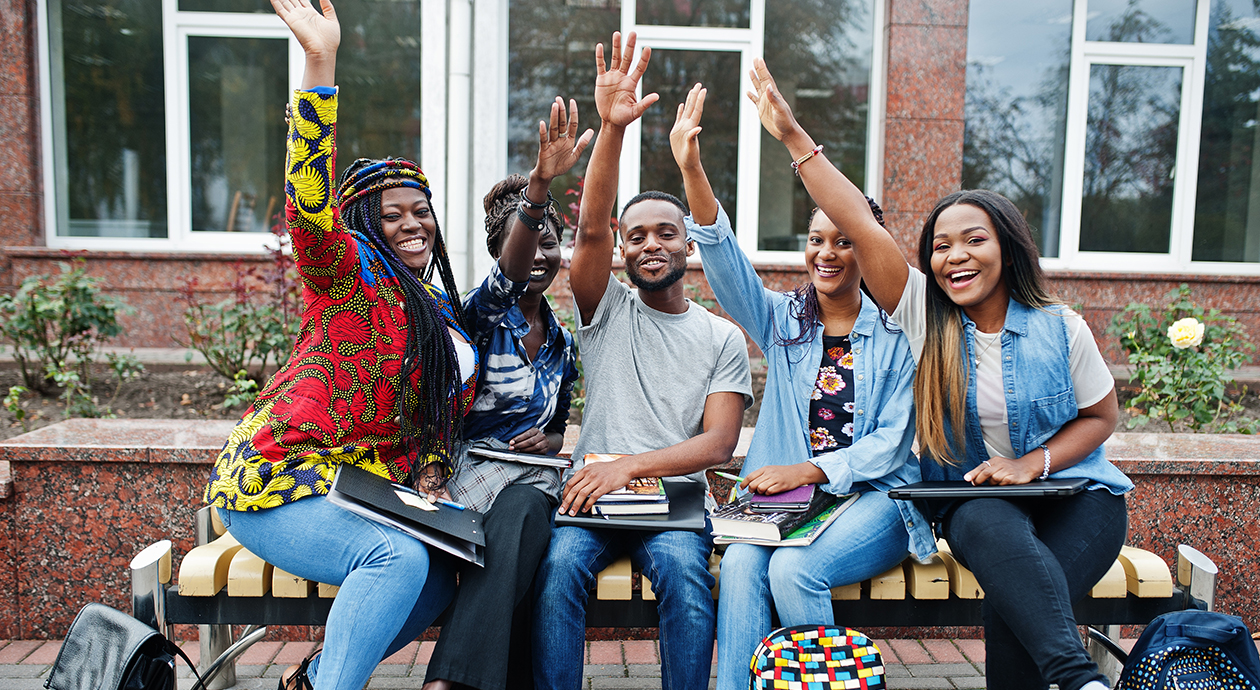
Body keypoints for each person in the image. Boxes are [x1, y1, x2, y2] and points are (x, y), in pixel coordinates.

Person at [746, 59, 1132, 690]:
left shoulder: (1062, 328)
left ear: (1006, 246)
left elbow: (1101, 419)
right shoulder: (925, 318)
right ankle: (1081, 681)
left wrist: (1034, 462)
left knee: (1021, 602)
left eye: (973, 240)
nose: (955, 256)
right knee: (983, 525)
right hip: (984, 506)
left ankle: (1072, 679)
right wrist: (794, 139)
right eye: (941, 246)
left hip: (1076, 500)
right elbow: (861, 224)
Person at [202, 1, 479, 688]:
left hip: (362, 491)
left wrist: (434, 468)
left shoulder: (440, 309)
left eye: (422, 211)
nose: (413, 224)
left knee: (444, 570)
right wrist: (319, 65)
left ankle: (320, 676)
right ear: (363, 224)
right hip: (277, 480)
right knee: (397, 559)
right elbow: (307, 205)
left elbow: (434, 415)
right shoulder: (346, 274)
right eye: (393, 215)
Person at [666, 83, 937, 690]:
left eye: (845, 240)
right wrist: (692, 169)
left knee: (792, 572)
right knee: (738, 565)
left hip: (878, 501)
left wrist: (809, 471)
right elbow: (726, 261)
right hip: (790, 505)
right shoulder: (786, 322)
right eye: (817, 239)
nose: (828, 253)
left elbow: (893, 446)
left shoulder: (900, 333)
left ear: (868, 251)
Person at [531, 32, 753, 690]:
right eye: (637, 237)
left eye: (666, 232)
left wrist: (631, 466)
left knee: (688, 583)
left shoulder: (721, 338)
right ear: (623, 252)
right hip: (591, 498)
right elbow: (591, 226)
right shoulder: (607, 310)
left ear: (690, 245)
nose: (650, 244)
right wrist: (611, 128)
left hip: (673, 502)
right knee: (557, 575)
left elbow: (717, 444)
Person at [422, 98, 592, 690]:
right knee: (517, 531)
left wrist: (550, 439)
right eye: (532, 242)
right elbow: (511, 279)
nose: (544, 256)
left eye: (554, 245)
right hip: (473, 483)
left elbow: (560, 420)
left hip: (533, 483)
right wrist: (541, 184)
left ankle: (451, 681)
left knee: (524, 517)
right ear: (504, 248)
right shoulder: (476, 315)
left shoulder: (565, 342)